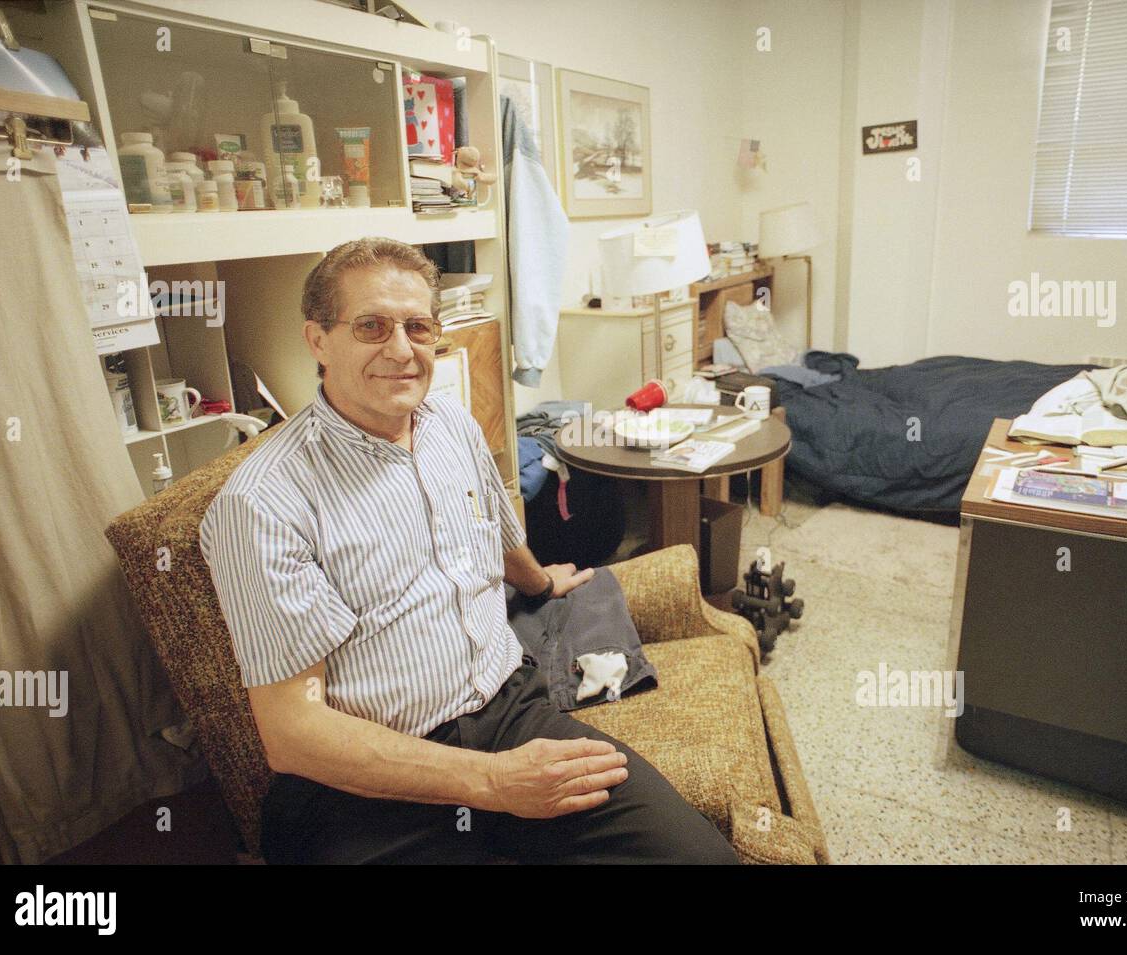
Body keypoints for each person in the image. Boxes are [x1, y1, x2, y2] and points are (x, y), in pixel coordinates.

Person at [199, 237, 737, 864]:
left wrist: (538, 584)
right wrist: (496, 784)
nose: (401, 350)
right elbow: (294, 735)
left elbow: (498, 528)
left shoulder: (450, 423)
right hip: (371, 787)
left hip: (512, 715)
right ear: (318, 339)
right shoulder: (264, 501)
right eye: (371, 326)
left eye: (418, 327)